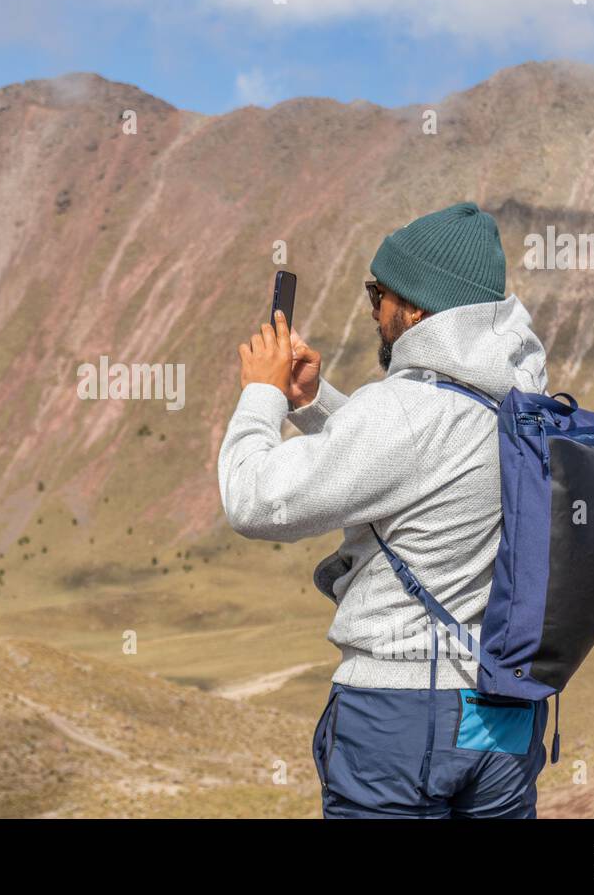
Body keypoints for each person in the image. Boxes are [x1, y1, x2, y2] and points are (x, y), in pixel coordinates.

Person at [218, 201, 553, 818]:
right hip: (504, 711)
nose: (375, 310)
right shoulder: (514, 400)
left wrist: (262, 395)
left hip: (399, 715)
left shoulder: (404, 408)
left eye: (380, 295)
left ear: (416, 308)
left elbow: (253, 499)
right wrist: (315, 402)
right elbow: (422, 464)